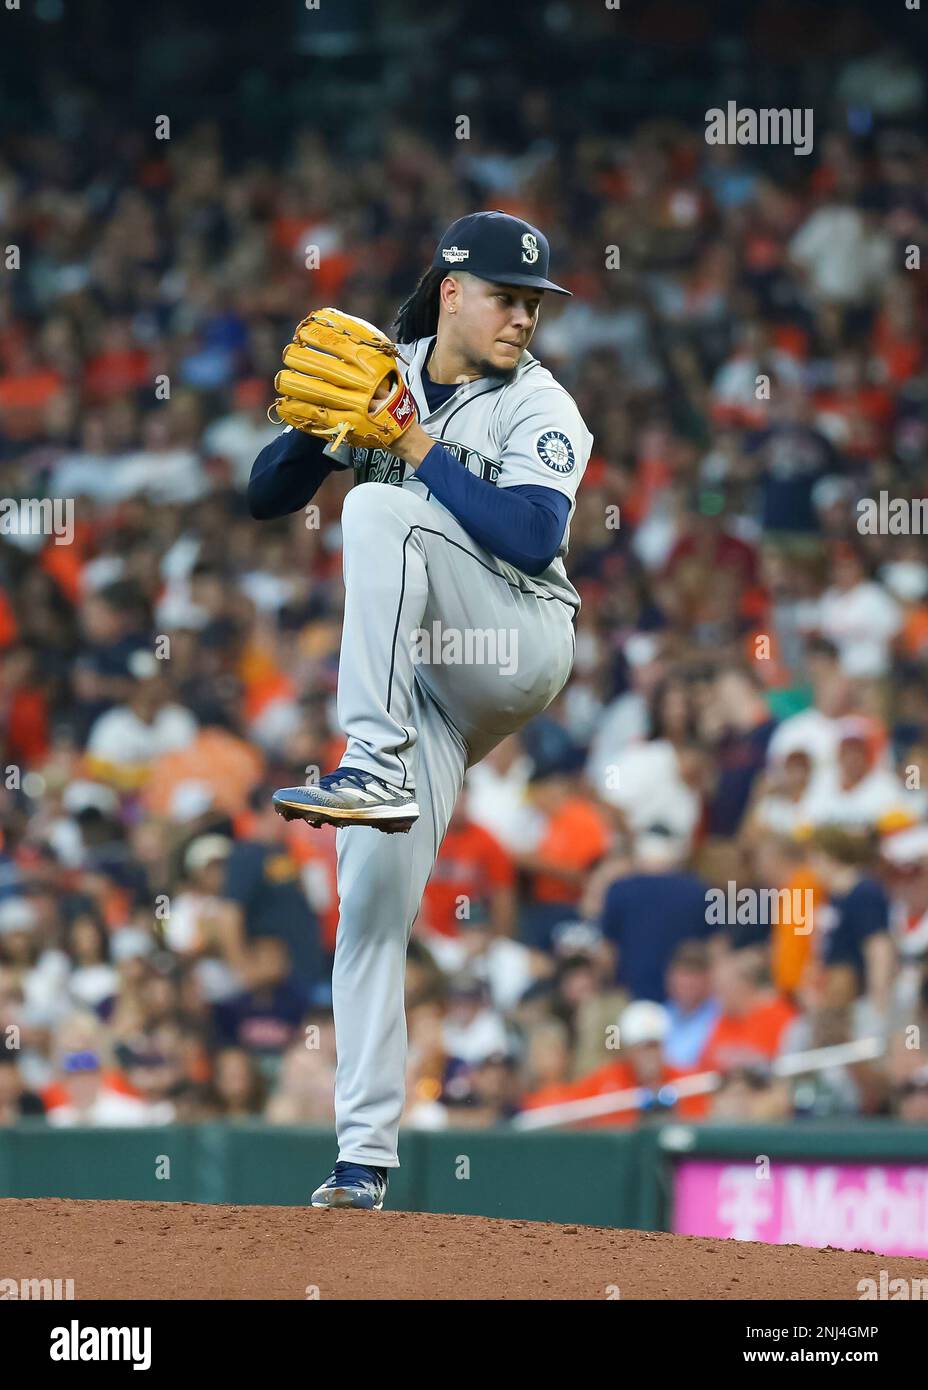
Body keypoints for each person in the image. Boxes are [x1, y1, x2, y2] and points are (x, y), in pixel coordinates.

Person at [247, 211, 591, 1209]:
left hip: (518, 639)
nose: (523, 317)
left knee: (381, 506)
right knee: (369, 905)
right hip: (427, 697)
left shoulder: (540, 404)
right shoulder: (381, 366)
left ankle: (372, 758)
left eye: (533, 303)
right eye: (504, 296)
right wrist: (319, 435)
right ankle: (361, 1164)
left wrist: (412, 442)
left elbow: (531, 535)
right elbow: (263, 496)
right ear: (450, 289)